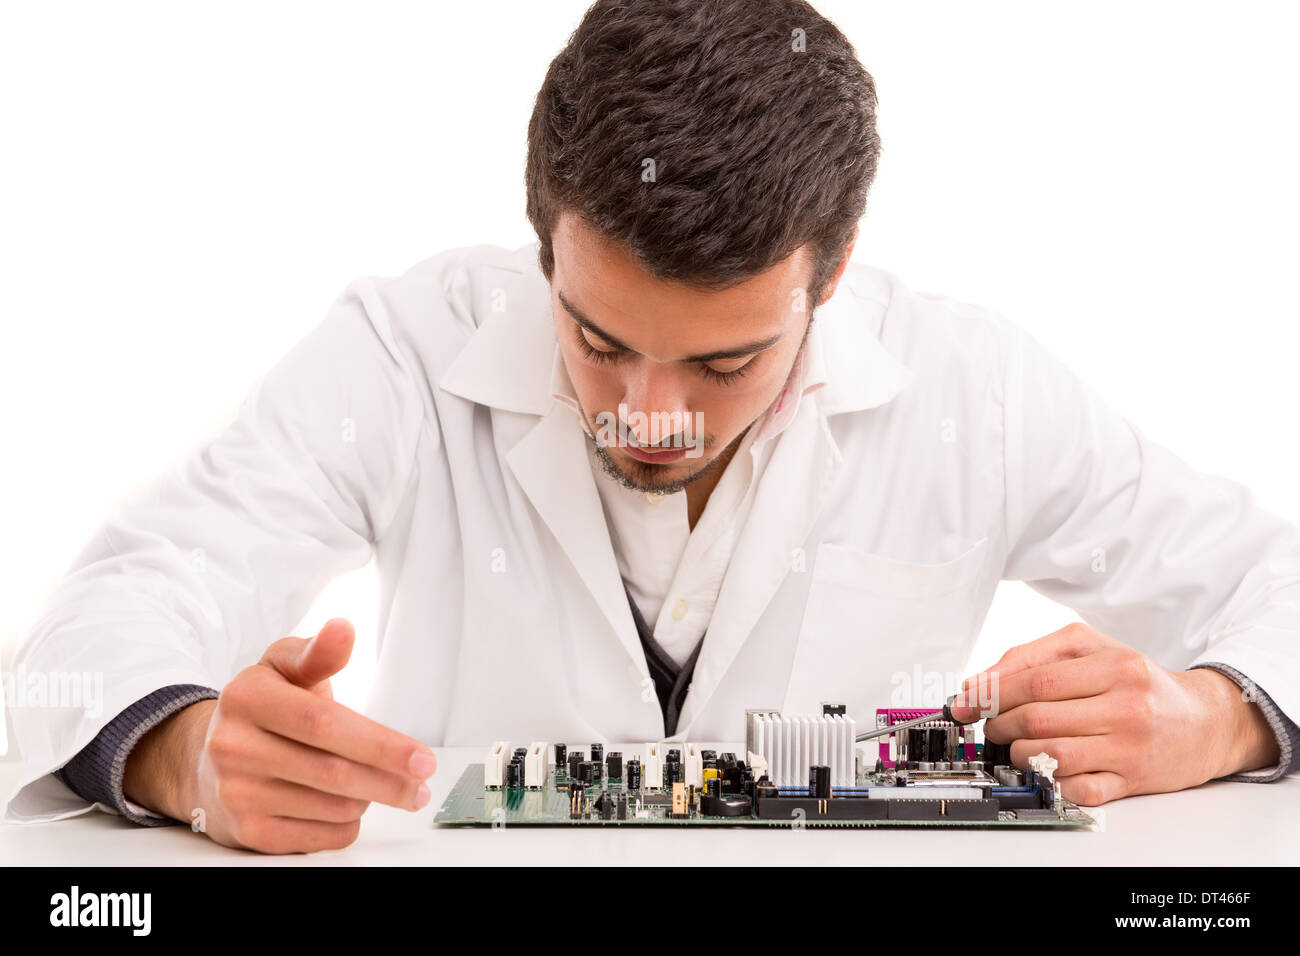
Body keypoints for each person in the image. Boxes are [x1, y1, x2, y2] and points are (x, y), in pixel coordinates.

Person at [7, 0, 1297, 854]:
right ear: (544, 252)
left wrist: (1222, 716)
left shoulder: (978, 388)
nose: (652, 414)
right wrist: (174, 751)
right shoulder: (403, 349)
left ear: (830, 279)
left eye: (727, 359)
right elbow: (106, 608)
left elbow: (1273, 582)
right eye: (599, 339)